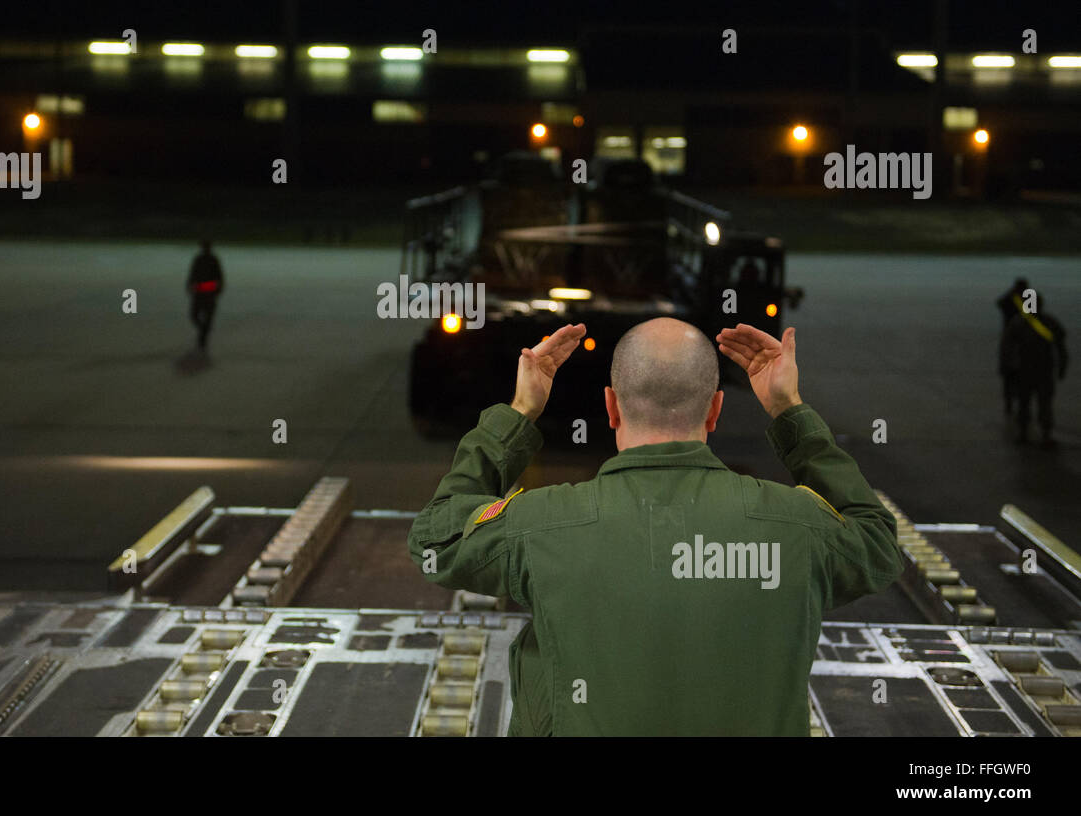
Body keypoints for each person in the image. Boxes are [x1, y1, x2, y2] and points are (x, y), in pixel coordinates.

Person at [408, 319, 903, 736]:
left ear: (611, 407)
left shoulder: (541, 526)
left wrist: (519, 413)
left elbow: (437, 538)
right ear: (714, 411)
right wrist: (788, 410)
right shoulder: (799, 528)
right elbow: (878, 545)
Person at [1003, 295, 1067, 447]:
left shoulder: (1018, 323)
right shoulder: (1048, 322)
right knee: (1040, 403)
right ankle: (1042, 435)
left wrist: (1009, 367)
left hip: (1028, 370)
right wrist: (1062, 367)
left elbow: (1008, 347)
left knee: (1028, 403)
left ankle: (1027, 434)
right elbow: (1060, 348)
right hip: (1039, 370)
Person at [996, 278, 1030, 416]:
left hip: (1014, 340)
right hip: (1023, 340)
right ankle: (1014, 405)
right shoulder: (1026, 298)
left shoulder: (1011, 299)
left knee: (1010, 376)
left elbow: (1000, 304)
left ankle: (1010, 404)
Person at [186, 240, 224, 352]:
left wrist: (218, 289)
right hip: (199, 291)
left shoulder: (213, 260)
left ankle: (203, 337)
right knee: (194, 315)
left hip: (209, 291)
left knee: (208, 316)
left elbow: (219, 276)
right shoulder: (198, 259)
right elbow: (192, 273)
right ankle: (203, 330)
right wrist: (189, 285)